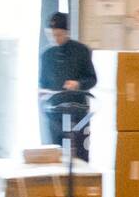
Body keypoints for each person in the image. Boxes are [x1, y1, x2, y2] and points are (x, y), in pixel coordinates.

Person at [38, 12, 96, 160]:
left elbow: (92, 79)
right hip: (54, 112)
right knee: (56, 154)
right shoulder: (46, 55)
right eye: (51, 35)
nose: (55, 39)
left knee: (80, 153)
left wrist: (78, 84)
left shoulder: (81, 50)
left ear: (66, 32)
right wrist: (42, 92)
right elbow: (42, 82)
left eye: (58, 35)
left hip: (78, 110)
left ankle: (82, 180)